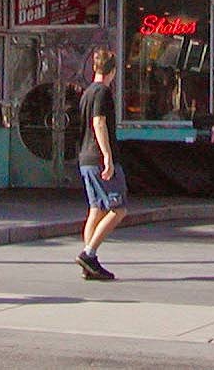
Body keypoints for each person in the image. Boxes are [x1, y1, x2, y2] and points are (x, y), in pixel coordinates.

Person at [76, 48, 127, 280]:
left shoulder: (86, 93)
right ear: (112, 71)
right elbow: (99, 122)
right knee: (118, 208)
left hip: (85, 158)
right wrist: (107, 156)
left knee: (96, 209)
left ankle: (90, 264)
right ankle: (89, 254)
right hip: (98, 158)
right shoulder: (103, 92)